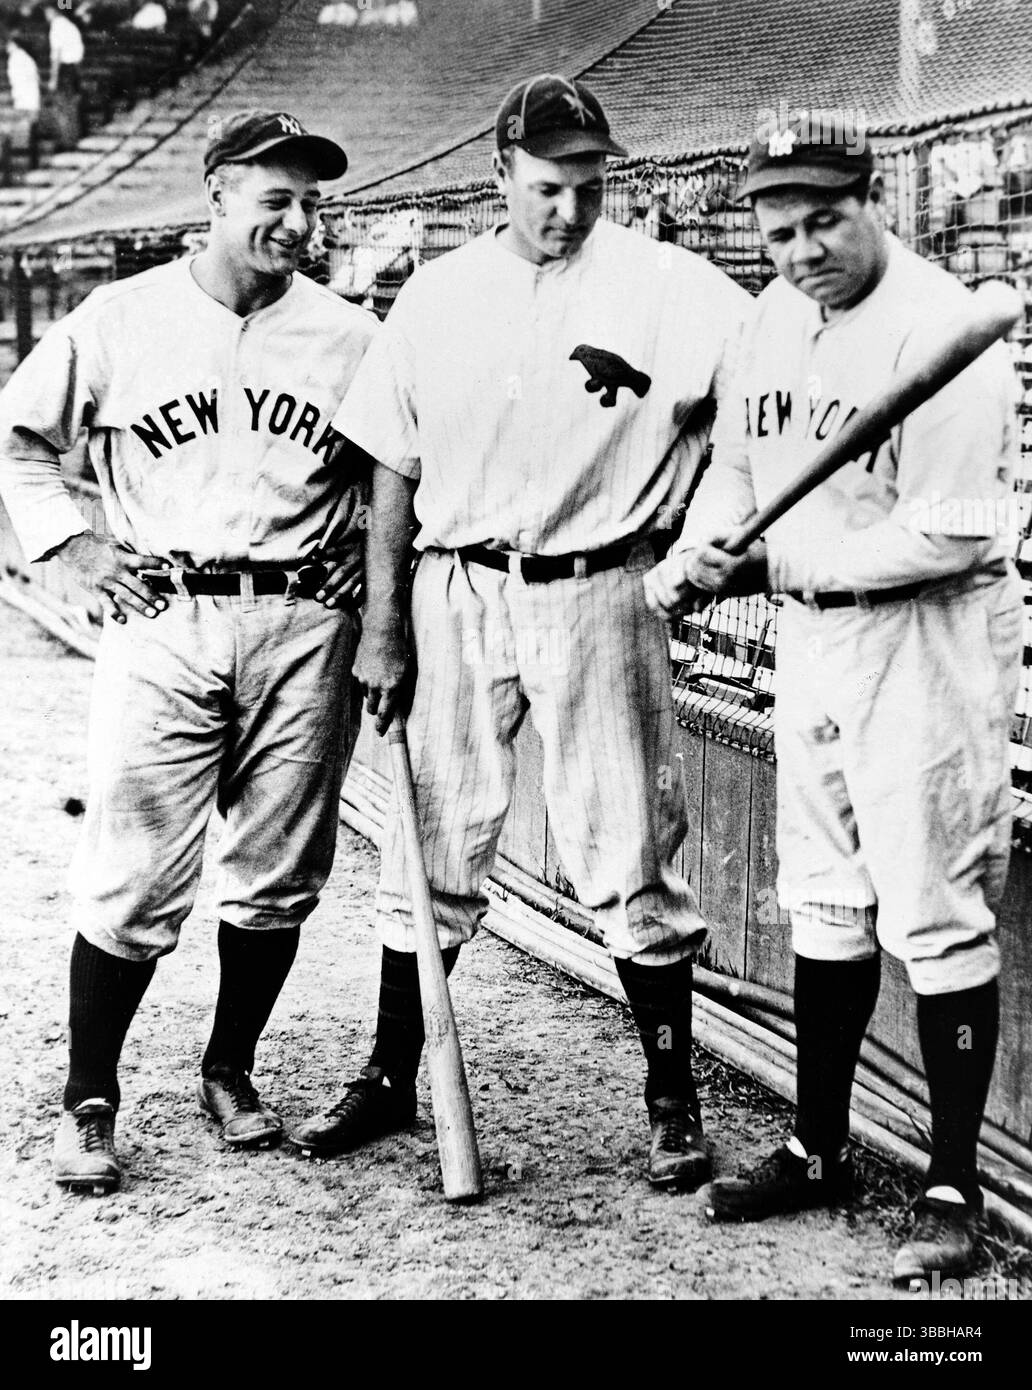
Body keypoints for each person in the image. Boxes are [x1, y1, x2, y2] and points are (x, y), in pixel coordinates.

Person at [289, 74, 750, 1189]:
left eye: (589, 183)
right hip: (458, 586)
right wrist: (384, 626)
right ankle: (393, 1074)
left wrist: (706, 528)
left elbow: (760, 410)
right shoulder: (438, 294)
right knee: (433, 838)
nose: (570, 208)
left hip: (602, 587)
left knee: (628, 845)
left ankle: (671, 1097)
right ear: (500, 174)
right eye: (547, 186)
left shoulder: (673, 287)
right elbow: (393, 468)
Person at [643, 112, 1022, 1281]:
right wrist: (702, 548)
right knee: (824, 900)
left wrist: (768, 563)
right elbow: (738, 471)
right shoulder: (769, 320)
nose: (802, 250)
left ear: (875, 201)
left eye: (824, 221)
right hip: (813, 638)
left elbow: (953, 534)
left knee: (934, 912)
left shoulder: (943, 327)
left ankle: (951, 1188)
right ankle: (819, 1147)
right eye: (779, 231)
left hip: (925, 644)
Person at [0, 109, 376, 1195]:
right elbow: (19, 438)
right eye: (276, 199)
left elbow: (395, 471)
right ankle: (89, 1099)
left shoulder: (350, 335)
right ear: (217, 194)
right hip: (165, 614)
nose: (298, 222)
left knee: (279, 873)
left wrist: (365, 562)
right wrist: (73, 548)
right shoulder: (122, 317)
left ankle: (230, 1068)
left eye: (312, 203)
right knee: (133, 871)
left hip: (302, 620)